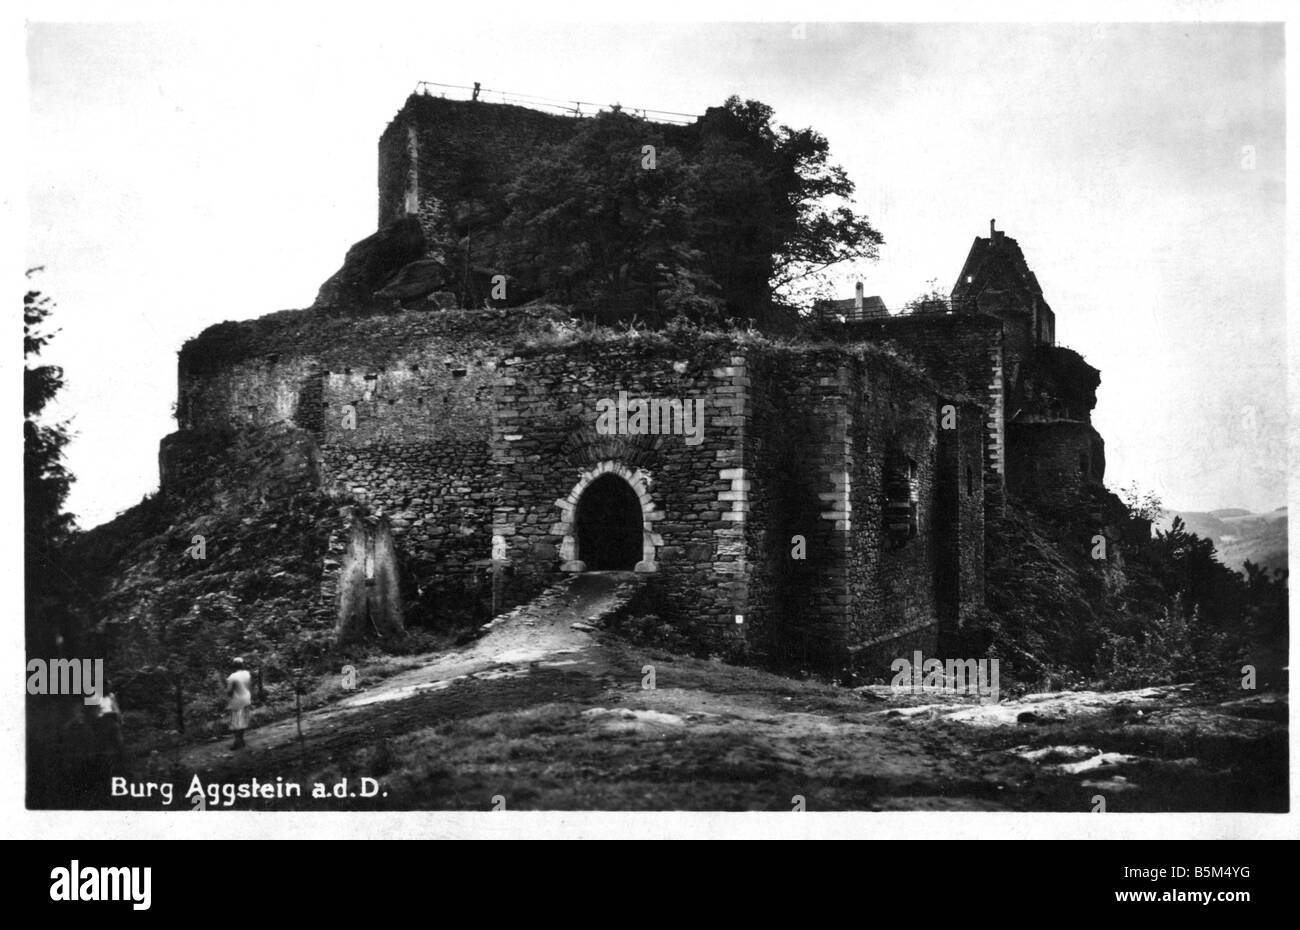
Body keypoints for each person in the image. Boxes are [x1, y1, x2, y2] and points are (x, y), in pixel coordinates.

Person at [95, 678, 125, 770]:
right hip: (104, 722)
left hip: (114, 721)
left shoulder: (111, 696)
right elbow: (96, 712)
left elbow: (116, 708)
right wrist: (102, 715)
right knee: (105, 744)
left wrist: (120, 719)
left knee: (119, 742)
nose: (109, 687)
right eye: (107, 686)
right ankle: (105, 765)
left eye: (109, 686)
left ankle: (120, 763)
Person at [226, 658, 253, 749]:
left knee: (236, 721)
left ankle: (238, 742)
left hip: (237, 700)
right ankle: (241, 740)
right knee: (243, 720)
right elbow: (249, 686)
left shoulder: (232, 677)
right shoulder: (247, 674)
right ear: (242, 665)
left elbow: (229, 692)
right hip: (247, 698)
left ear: (233, 666)